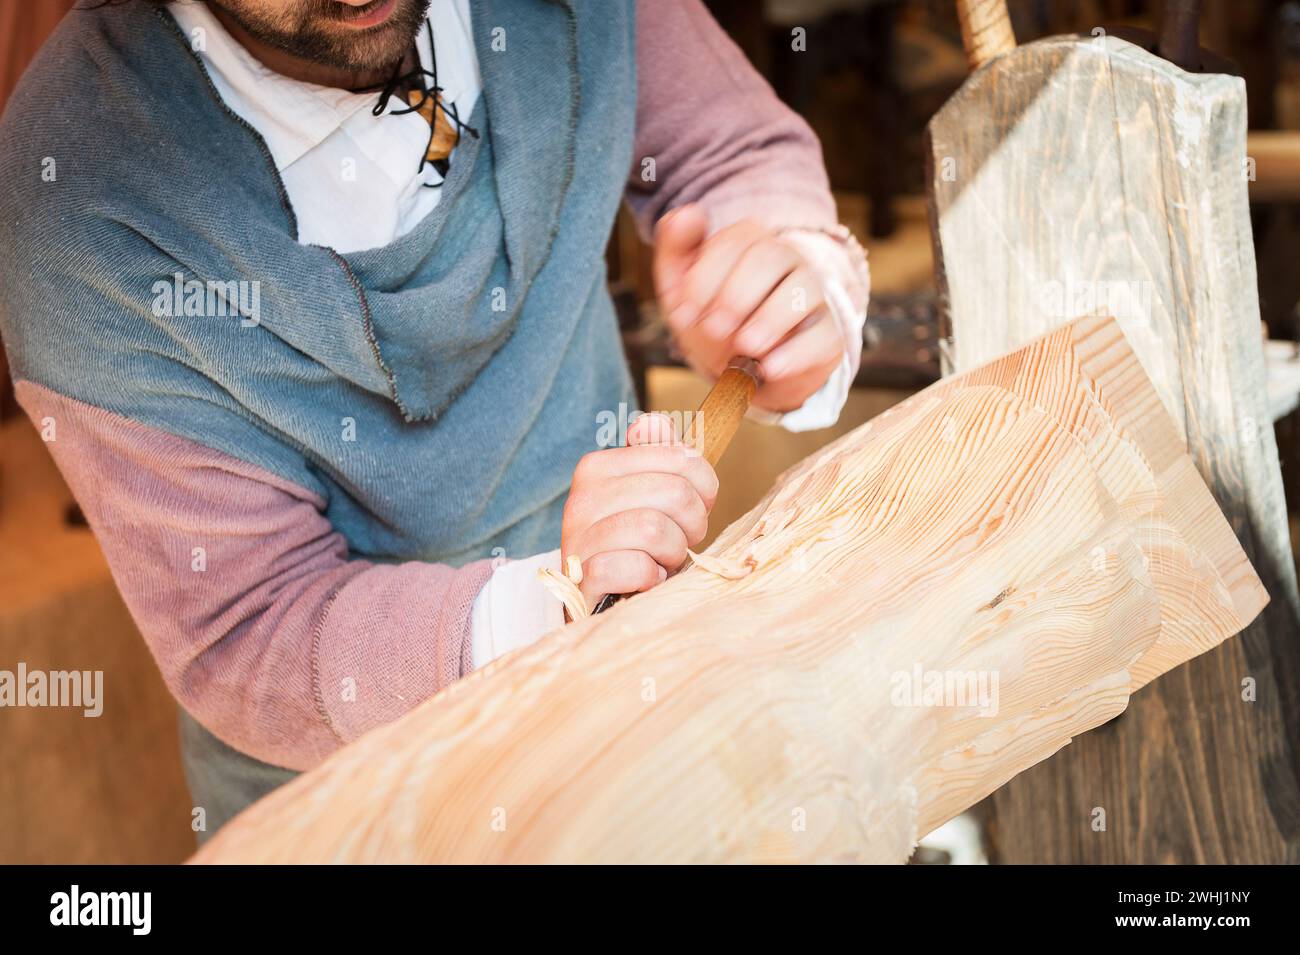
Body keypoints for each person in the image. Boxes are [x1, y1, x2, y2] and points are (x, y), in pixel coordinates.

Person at [0, 0, 868, 836]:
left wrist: (789, 284)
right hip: (361, 799)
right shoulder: (68, 199)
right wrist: (548, 605)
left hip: (628, 712)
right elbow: (249, 630)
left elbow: (732, 151)